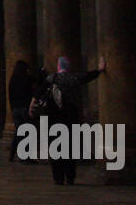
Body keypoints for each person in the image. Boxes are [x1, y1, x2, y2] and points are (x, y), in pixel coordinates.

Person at [31, 56, 106, 185]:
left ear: (58, 66)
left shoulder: (51, 78)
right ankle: (70, 177)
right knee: (71, 149)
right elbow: (87, 76)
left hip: (53, 119)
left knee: (55, 149)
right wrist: (99, 70)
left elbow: (38, 93)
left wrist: (31, 107)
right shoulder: (73, 78)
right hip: (70, 118)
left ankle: (58, 178)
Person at [6, 60, 35, 162]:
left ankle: (12, 154)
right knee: (28, 133)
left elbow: (10, 96)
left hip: (15, 110)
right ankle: (25, 157)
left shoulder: (12, 80)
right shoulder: (26, 79)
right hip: (24, 109)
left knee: (19, 132)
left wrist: (12, 108)